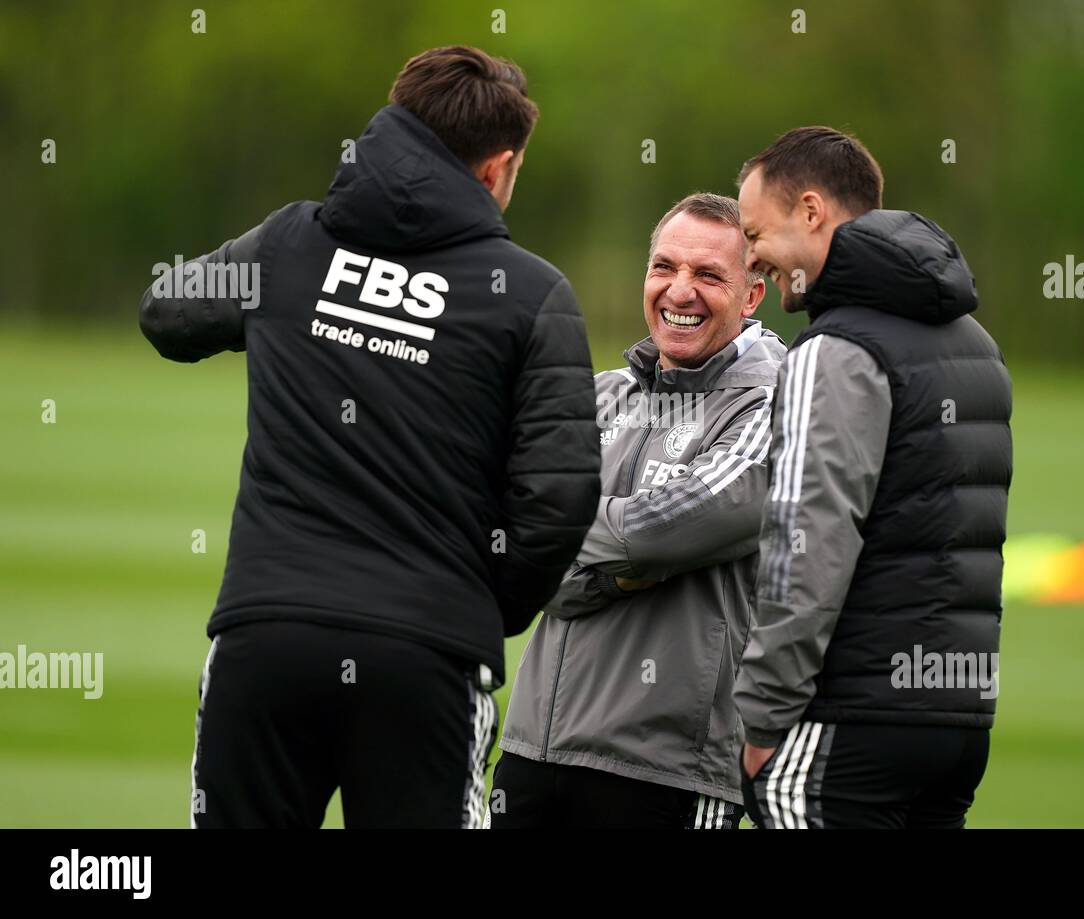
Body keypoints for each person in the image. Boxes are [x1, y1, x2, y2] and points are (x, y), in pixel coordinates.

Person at [138, 46, 600, 827]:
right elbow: (559, 496)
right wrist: (480, 602)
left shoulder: (292, 243)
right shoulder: (530, 292)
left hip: (266, 634)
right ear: (496, 169)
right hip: (424, 657)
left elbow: (168, 311)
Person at [733, 126, 1012, 829]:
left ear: (812, 211)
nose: (751, 261)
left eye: (755, 233)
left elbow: (807, 542)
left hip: (855, 715)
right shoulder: (974, 340)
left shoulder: (834, 347)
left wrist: (763, 716)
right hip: (959, 717)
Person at [492, 193, 786, 829]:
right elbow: (505, 531)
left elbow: (670, 528)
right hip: (534, 748)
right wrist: (614, 572)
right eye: (664, 268)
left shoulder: (776, 405)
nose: (680, 292)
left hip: (668, 770)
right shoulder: (599, 395)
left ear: (752, 295)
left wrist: (564, 545)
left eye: (709, 275)